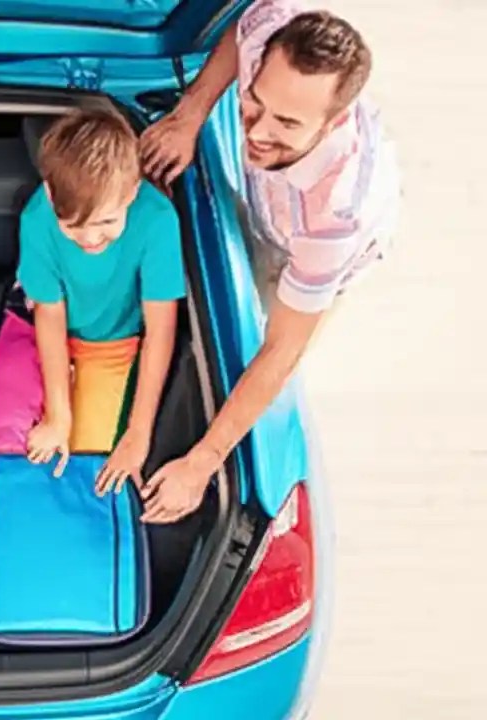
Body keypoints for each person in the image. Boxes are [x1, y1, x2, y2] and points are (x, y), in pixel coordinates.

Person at [137, 0, 400, 523]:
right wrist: (189, 117)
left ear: (335, 120)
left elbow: (281, 350)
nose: (255, 133)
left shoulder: (335, 215)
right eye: (254, 103)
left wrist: (203, 462)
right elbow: (242, 28)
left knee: (257, 356)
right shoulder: (273, 30)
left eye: (285, 123)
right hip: (268, 204)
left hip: (310, 250)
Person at [13, 110, 186, 495]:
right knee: (27, 454)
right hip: (43, 333)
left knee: (89, 467)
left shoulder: (157, 221)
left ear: (132, 192)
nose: (91, 238)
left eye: (107, 222)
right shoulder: (37, 217)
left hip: (114, 348)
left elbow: (161, 330)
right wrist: (58, 417)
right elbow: (50, 316)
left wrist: (138, 433)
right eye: (74, 226)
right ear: (50, 191)